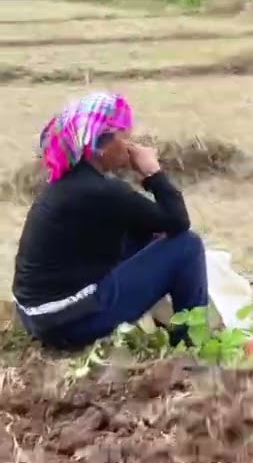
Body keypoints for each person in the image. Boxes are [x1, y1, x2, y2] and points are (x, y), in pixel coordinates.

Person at [11, 91, 209, 351]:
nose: (130, 144)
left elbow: (154, 226)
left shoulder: (71, 183)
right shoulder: (103, 190)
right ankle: (191, 346)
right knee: (186, 247)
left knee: (144, 238)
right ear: (100, 145)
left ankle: (169, 327)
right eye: (124, 135)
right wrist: (153, 172)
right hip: (70, 323)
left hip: (40, 318)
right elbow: (178, 222)